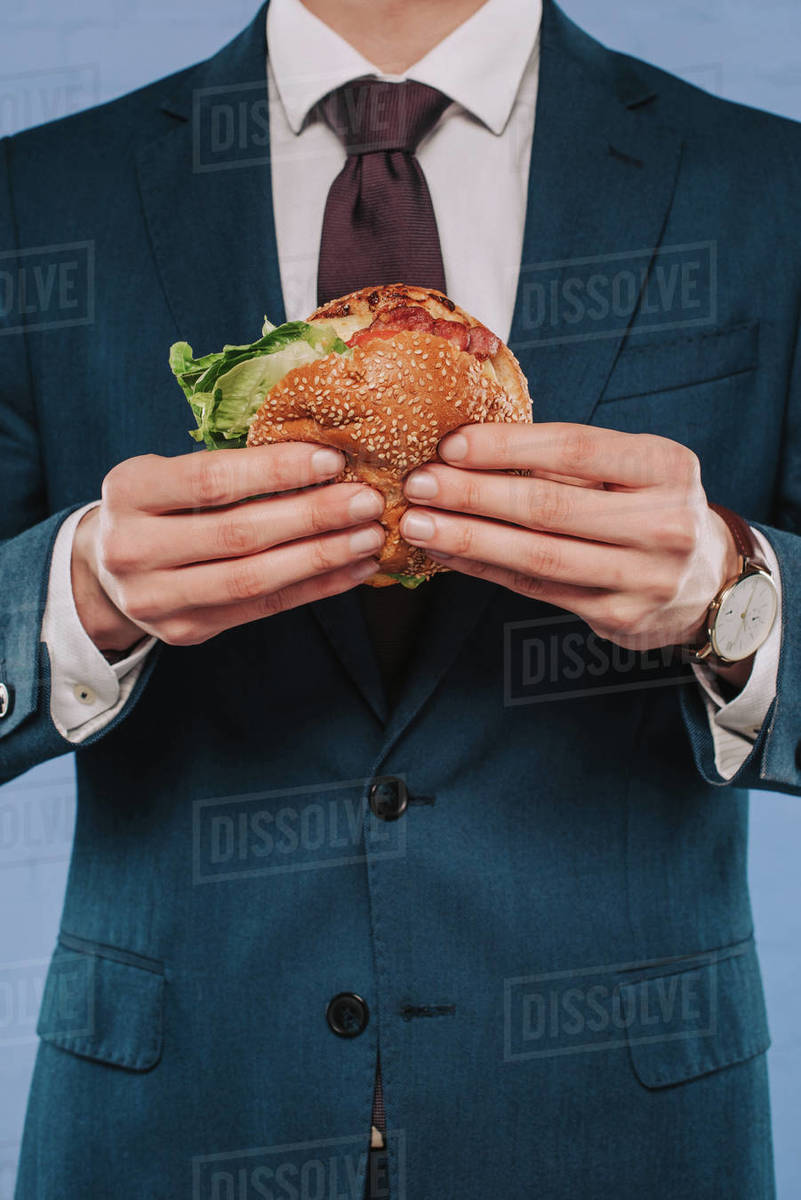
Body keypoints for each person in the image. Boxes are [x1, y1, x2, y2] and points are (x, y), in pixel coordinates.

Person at [1, 0, 799, 1195]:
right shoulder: (38, 198)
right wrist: (78, 594)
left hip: (618, 1132)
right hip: (170, 1117)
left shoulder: (766, 185)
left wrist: (734, 592)